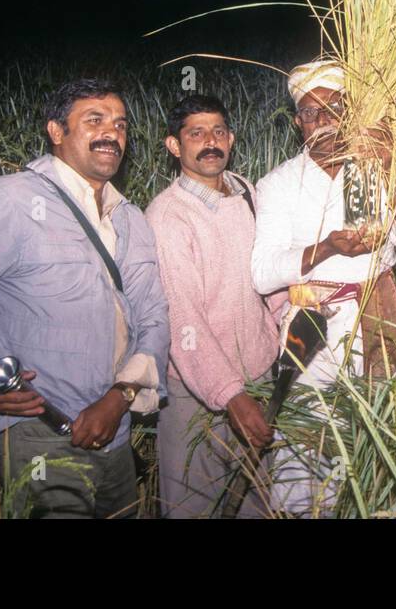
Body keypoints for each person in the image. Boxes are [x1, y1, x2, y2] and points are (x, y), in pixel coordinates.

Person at [0, 79, 169, 518]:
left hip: (115, 430)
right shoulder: (10, 201)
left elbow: (153, 316)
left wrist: (119, 396)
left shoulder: (130, 218)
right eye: (94, 120)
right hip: (39, 435)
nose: (111, 133)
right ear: (56, 132)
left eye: (120, 124)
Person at [250, 59, 396, 513]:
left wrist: (391, 166)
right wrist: (326, 248)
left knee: (370, 447)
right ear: (296, 123)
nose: (324, 121)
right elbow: (263, 273)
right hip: (310, 327)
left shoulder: (367, 171)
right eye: (311, 112)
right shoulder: (279, 184)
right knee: (300, 449)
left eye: (334, 109)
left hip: (376, 319)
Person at [146, 94, 284, 518]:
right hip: (198, 394)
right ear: (175, 145)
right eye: (197, 133)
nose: (211, 142)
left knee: (257, 506)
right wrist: (231, 395)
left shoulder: (245, 191)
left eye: (219, 131)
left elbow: (268, 274)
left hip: (259, 381)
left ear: (232, 138)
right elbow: (182, 320)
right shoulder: (168, 217)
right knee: (194, 506)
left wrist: (287, 328)